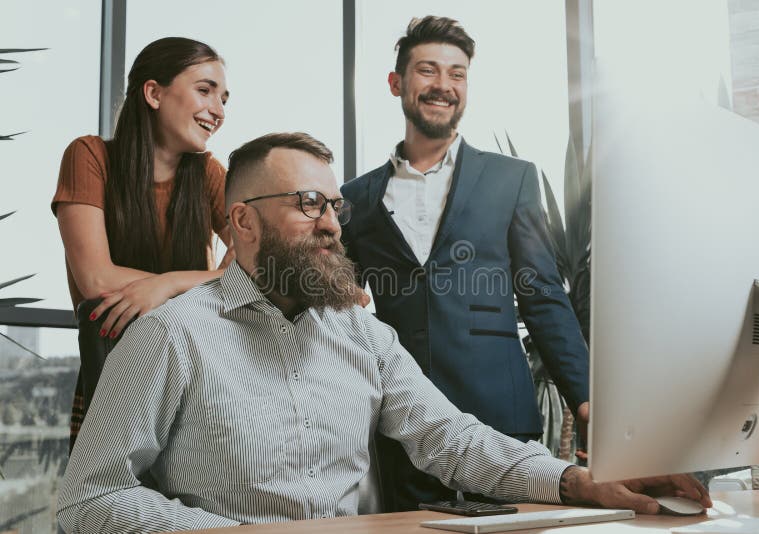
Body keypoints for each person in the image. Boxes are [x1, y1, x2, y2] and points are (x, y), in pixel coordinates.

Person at [57, 132, 711, 533]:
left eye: (333, 207)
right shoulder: (171, 336)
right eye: (305, 205)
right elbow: (89, 500)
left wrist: (578, 482)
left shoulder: (362, 337)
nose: (331, 225)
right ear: (242, 224)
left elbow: (451, 440)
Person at [340, 15, 590, 511]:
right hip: (401, 423)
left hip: (502, 413)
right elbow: (339, 302)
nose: (443, 86)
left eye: (457, 74)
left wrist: (584, 398)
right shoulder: (356, 198)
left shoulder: (511, 179)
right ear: (397, 83)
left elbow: (542, 295)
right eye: (428, 71)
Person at [51, 37, 233, 446]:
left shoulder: (208, 174)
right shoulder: (90, 156)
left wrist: (166, 285)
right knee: (112, 503)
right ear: (153, 93)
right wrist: (201, 280)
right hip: (115, 372)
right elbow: (96, 278)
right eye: (205, 90)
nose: (218, 111)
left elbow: (253, 265)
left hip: (196, 374)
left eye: (224, 98)